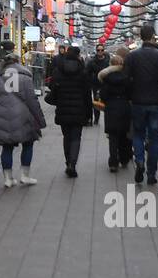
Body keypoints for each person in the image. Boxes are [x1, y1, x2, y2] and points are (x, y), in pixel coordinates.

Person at [124, 24, 158, 186]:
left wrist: (131, 95)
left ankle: (139, 160)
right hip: (157, 102)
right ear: (153, 36)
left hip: (137, 101)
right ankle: (151, 173)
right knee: (154, 138)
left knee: (138, 134)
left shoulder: (132, 56)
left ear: (140, 37)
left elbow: (126, 79)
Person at [0, 53, 48, 188]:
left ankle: (8, 178)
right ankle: (25, 175)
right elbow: (32, 100)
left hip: (3, 116)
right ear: (18, 62)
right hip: (23, 116)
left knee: (7, 147)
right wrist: (40, 119)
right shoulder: (25, 77)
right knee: (28, 144)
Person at [45, 43, 91, 178]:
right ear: (78, 56)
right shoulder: (82, 72)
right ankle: (72, 164)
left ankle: (67, 162)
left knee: (67, 137)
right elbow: (87, 94)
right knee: (76, 138)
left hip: (63, 108)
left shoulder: (58, 70)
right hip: (79, 109)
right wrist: (89, 113)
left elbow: (52, 87)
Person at [97, 46, 133, 171]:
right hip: (124, 107)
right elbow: (130, 94)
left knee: (112, 137)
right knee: (124, 135)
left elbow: (103, 96)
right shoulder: (127, 78)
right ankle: (124, 159)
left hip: (111, 109)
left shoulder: (106, 79)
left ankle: (113, 162)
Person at [87, 43, 111, 126]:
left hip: (106, 85)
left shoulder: (108, 61)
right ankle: (96, 119)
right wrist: (91, 81)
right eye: (98, 50)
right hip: (96, 85)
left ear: (104, 51)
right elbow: (87, 73)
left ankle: (108, 119)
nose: (100, 51)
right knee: (96, 103)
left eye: (102, 50)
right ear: (96, 51)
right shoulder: (92, 62)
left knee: (106, 102)